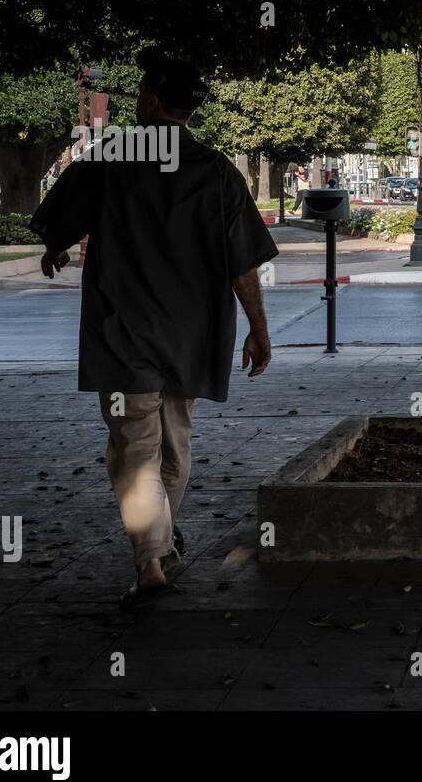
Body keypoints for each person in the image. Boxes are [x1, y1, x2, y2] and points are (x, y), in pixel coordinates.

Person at [29, 47, 279, 608]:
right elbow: (244, 265)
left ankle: (150, 561)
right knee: (173, 445)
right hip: (191, 340)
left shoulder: (113, 155)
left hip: (124, 339)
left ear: (151, 100)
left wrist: (56, 246)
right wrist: (259, 328)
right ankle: (159, 547)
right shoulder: (218, 172)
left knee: (133, 449)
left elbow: (61, 215)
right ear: (188, 111)